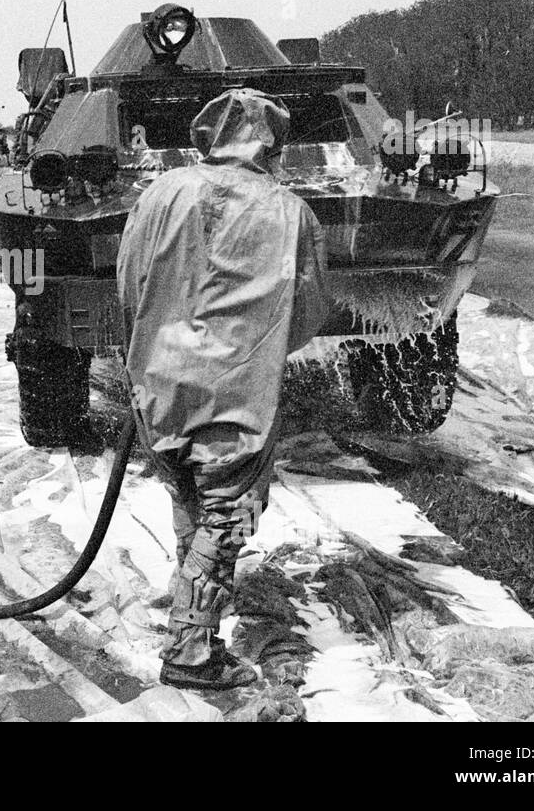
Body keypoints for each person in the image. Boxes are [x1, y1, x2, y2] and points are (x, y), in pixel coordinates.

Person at [116, 88, 328, 690]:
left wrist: (157, 346)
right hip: (239, 391)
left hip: (158, 378)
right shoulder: (292, 213)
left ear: (208, 135)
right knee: (227, 513)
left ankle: (188, 599)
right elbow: (308, 311)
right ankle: (190, 654)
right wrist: (250, 344)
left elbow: (130, 283)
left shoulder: (161, 192)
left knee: (185, 493)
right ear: (273, 143)